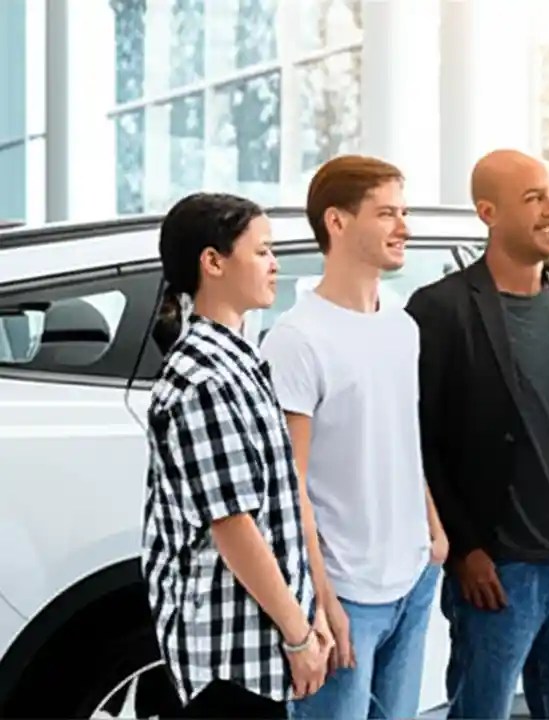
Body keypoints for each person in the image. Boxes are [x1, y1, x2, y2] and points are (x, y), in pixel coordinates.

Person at [404, 149, 549, 720]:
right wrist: (465, 552)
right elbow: (422, 445)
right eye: (534, 198)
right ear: (488, 212)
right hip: (498, 568)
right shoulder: (439, 311)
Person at [260, 155, 449, 719]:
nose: (404, 227)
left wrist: (434, 536)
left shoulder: (402, 326)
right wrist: (321, 601)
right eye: (387, 213)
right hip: (345, 593)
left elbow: (402, 440)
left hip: (412, 579)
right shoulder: (296, 340)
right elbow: (289, 488)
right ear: (337, 223)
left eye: (404, 211)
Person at [141, 192, 328, 719]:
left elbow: (275, 512)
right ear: (213, 262)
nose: (276, 264)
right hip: (228, 657)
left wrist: (305, 616)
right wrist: (298, 636)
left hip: (252, 649)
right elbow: (234, 527)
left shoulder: (236, 361)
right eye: (263, 250)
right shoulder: (204, 378)